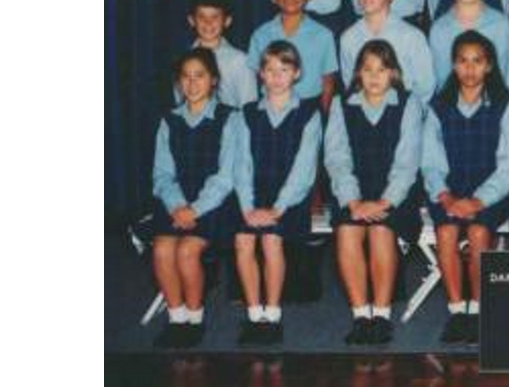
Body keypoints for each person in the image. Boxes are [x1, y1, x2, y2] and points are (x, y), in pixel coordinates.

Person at [324, 40, 425, 345]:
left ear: (393, 72)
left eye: (382, 69)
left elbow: (407, 162)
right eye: (367, 69)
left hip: (396, 192)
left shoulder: (409, 103)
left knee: (382, 230)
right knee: (347, 231)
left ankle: (380, 316)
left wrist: (384, 202)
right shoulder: (342, 103)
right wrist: (353, 201)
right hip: (352, 191)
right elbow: (336, 158)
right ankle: (360, 316)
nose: (374, 76)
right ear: (357, 73)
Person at [421, 31, 509, 345]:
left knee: (478, 233)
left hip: (491, 191)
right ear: (453, 65)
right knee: (446, 232)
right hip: (449, 190)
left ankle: (476, 311)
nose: (470, 69)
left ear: (489, 65)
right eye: (463, 61)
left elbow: (508, 167)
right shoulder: (439, 107)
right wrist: (446, 196)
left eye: (477, 61)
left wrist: (478, 201)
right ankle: (456, 311)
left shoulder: (504, 106)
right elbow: (430, 163)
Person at [150, 48, 243, 348]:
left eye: (199, 76)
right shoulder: (169, 120)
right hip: (176, 203)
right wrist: (177, 205)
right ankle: (176, 319)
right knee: (162, 250)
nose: (192, 83)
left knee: (187, 251)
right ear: (179, 82)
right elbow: (162, 174)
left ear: (213, 80)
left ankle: (194, 318)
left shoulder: (230, 118)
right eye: (186, 77)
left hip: (215, 204)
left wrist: (196, 209)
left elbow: (226, 177)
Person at [233, 41, 323, 345]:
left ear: (296, 73)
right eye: (269, 69)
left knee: (271, 240)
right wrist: (247, 207)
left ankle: (272, 315)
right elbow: (241, 165)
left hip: (290, 199)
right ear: (261, 73)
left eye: (284, 70)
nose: (276, 76)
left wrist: (278, 208)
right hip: (251, 196)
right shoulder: (246, 113)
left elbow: (304, 169)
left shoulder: (309, 113)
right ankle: (253, 314)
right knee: (243, 240)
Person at [247, 0, 339, 112]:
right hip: (271, 108)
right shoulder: (260, 35)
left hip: (309, 109)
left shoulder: (323, 35)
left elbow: (328, 83)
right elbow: (255, 80)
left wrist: (323, 117)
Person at [339, 0, 435, 101]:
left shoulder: (412, 37)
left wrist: (410, 111)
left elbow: (425, 87)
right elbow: (351, 84)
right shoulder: (348, 38)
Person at [178, 0, 257, 108]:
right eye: (201, 16)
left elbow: (249, 106)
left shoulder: (240, 61)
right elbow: (180, 102)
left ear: (227, 21)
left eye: (215, 17)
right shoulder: (185, 59)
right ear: (191, 20)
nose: (208, 22)